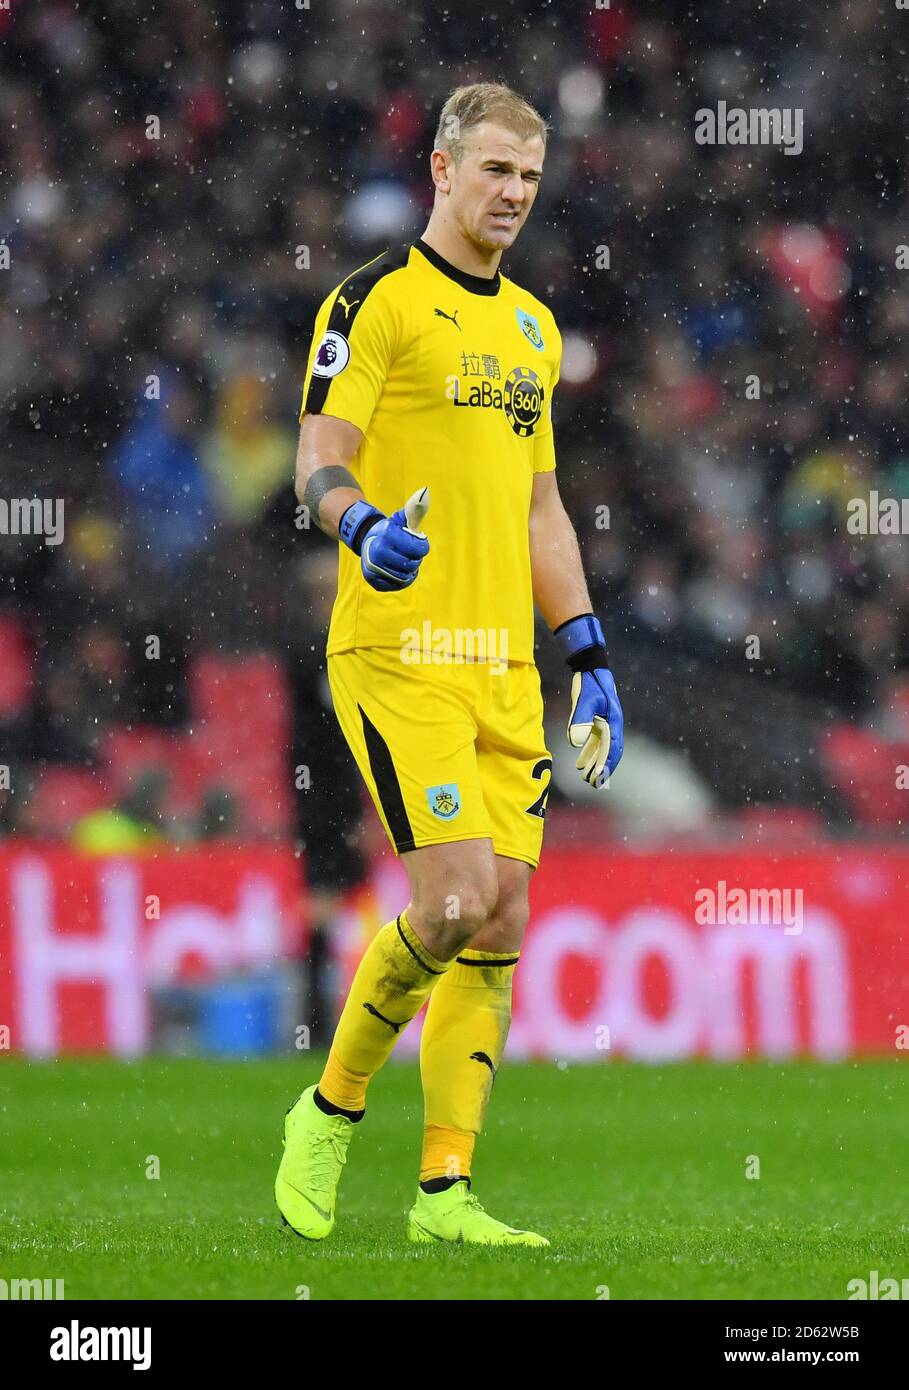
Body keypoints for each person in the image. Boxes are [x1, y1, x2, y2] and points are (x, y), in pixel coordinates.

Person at [275, 82, 624, 1247]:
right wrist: (363, 527)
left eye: (529, 176)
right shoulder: (372, 303)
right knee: (455, 897)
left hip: (505, 666)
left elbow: (542, 513)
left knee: (505, 910)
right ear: (440, 168)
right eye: (493, 171)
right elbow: (317, 463)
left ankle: (445, 1195)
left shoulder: (531, 327)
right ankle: (327, 1111)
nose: (513, 194)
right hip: (399, 650)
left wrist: (588, 650)